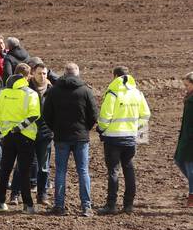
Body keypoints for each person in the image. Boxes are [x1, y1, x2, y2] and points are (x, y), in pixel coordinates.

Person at [41, 62, 97, 216]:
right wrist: (85, 129)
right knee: (83, 171)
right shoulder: (86, 90)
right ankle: (86, 206)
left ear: (64, 74)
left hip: (61, 137)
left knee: (60, 171)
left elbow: (46, 115)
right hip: (81, 137)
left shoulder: (54, 91)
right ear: (77, 73)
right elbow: (93, 115)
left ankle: (59, 205)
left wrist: (55, 128)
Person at [97, 66, 152, 215]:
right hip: (130, 139)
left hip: (113, 139)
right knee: (129, 169)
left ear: (115, 76)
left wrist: (102, 130)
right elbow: (146, 115)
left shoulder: (113, 94)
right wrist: (137, 130)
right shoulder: (137, 93)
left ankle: (111, 204)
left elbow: (104, 118)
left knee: (113, 171)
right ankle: (128, 205)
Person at [0, 66, 41, 214]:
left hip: (7, 136)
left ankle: (0, 201)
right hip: (26, 136)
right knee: (24, 171)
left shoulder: (2, 94)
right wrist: (19, 128)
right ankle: (28, 204)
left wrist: (4, 131)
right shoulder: (31, 94)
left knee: (5, 170)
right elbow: (34, 115)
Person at [27, 59, 54, 206]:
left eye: (44, 73)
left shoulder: (52, 90)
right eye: (39, 73)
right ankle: (16, 194)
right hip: (28, 131)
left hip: (45, 133)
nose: (42, 76)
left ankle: (42, 195)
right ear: (33, 74)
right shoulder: (26, 89)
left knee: (44, 167)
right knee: (24, 164)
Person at [175, 71, 193, 210]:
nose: (185, 88)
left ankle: (192, 196)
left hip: (190, 138)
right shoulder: (189, 98)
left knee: (190, 167)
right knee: (179, 161)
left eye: (187, 85)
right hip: (186, 137)